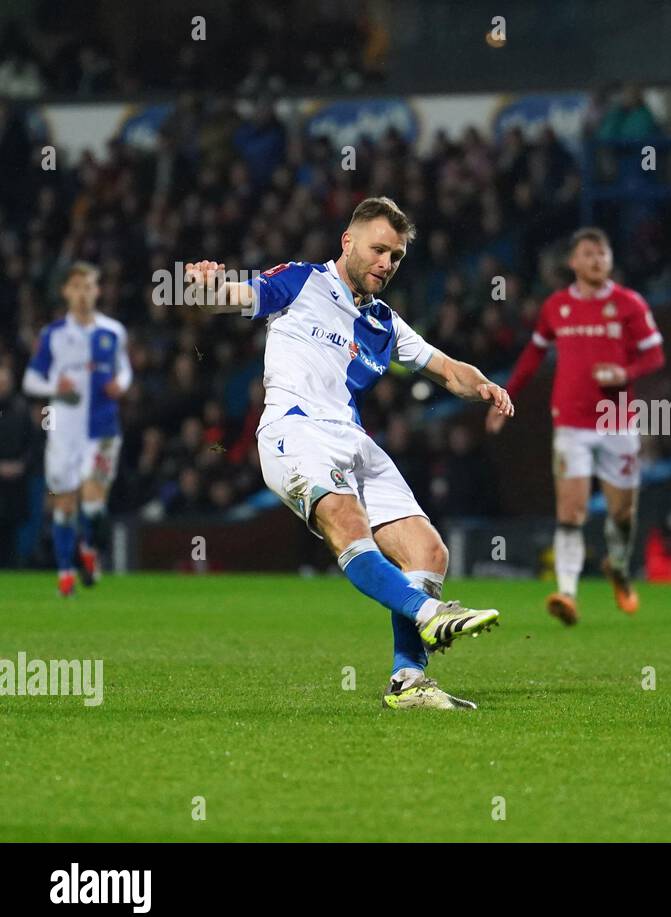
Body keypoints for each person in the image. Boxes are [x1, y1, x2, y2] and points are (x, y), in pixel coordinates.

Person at [183, 196, 514, 711]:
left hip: (352, 439)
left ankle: (409, 681)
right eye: (379, 250)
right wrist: (205, 288)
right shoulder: (301, 281)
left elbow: (448, 369)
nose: (386, 263)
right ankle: (429, 614)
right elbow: (232, 296)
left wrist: (487, 385)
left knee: (428, 553)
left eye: (397, 257)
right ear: (348, 242)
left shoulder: (385, 323)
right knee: (345, 518)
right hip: (295, 430)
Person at [489, 227, 665, 625]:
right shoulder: (556, 307)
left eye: (602, 253)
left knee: (622, 512)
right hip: (569, 420)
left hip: (617, 419)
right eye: (588, 254)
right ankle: (566, 592)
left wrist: (625, 371)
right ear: (573, 263)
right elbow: (534, 354)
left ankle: (617, 566)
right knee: (571, 509)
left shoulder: (629, 303)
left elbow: (654, 356)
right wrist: (506, 395)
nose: (596, 260)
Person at [22, 262, 131, 596]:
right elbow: (31, 380)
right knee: (65, 506)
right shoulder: (53, 335)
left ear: (97, 291)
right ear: (66, 292)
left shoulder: (113, 331)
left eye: (89, 287)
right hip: (64, 432)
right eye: (76, 287)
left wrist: (120, 385)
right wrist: (56, 383)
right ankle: (67, 573)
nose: (83, 294)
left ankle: (88, 548)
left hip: (102, 429)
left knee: (94, 501)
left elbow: (124, 371)